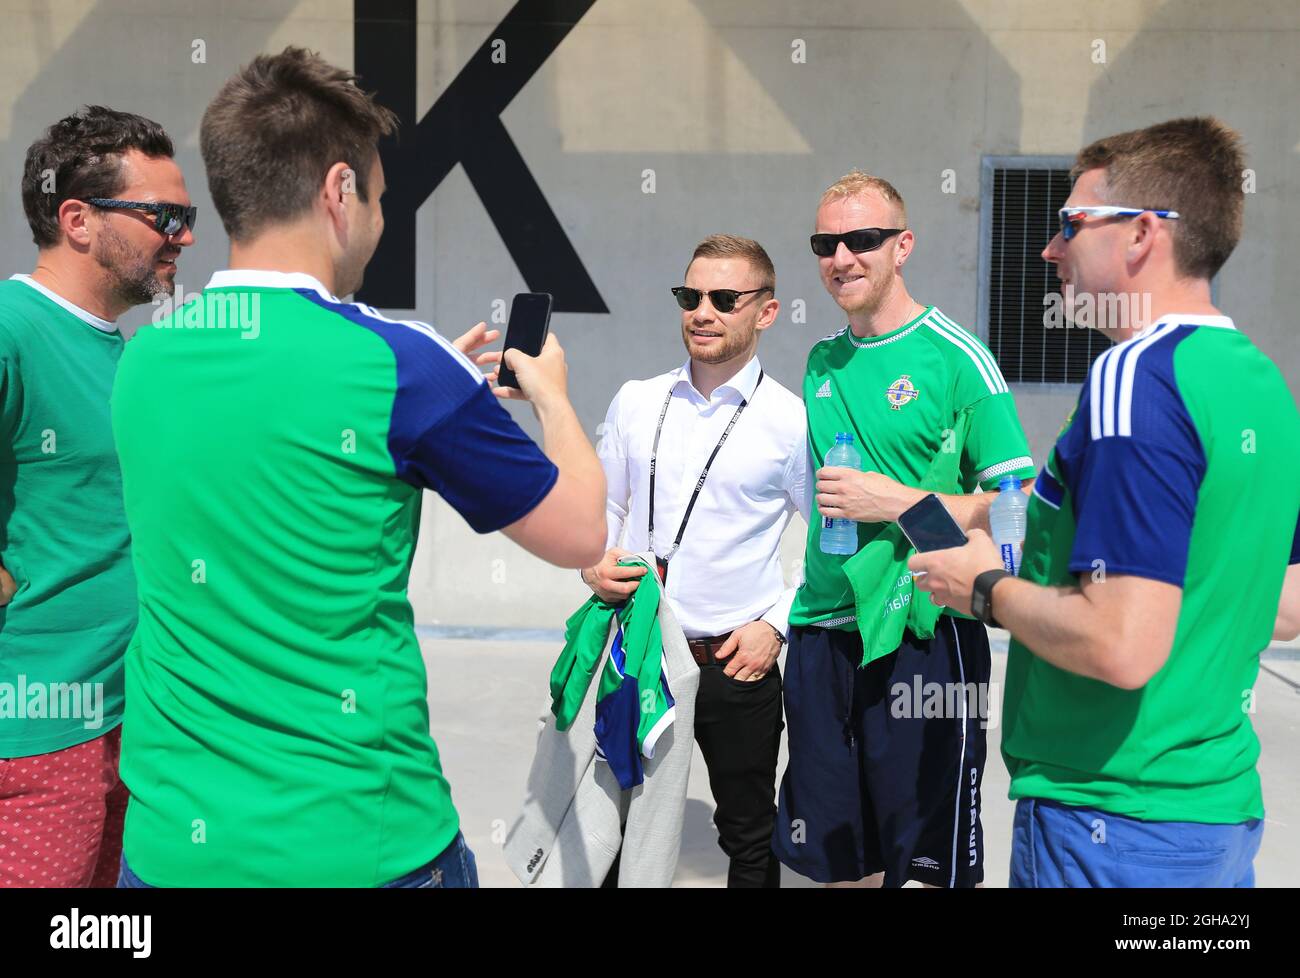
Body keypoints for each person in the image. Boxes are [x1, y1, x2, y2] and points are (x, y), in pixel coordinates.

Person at [110, 47, 606, 888]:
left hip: (169, 849)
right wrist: (551, 396)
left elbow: (268, 447)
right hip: (357, 844)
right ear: (339, 191)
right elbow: (579, 532)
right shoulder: (399, 365)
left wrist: (410, 420)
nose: (378, 220)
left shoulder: (146, 356)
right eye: (378, 197)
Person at [910, 117, 1300, 888]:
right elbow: (1285, 604)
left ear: (1142, 235)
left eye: (1069, 224)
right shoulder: (1261, 384)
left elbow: (1122, 646)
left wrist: (985, 589)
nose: (1050, 249)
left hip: (1108, 819)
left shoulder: (1135, 379)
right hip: (1212, 821)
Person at [773, 170, 1037, 888]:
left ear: (903, 246)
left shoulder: (956, 357)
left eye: (863, 239)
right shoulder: (821, 361)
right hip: (825, 632)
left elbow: (1018, 504)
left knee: (926, 868)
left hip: (926, 634)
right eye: (826, 243)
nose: (842, 258)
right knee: (834, 862)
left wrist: (898, 502)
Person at [0, 106, 194, 887]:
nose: (182, 236)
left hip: (127, 725)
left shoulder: (119, 352)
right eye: (164, 216)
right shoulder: (13, 328)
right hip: (41, 740)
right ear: (77, 219)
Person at [580, 234, 809, 887]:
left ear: (766, 312)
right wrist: (599, 562)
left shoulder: (791, 422)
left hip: (734, 665)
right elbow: (610, 511)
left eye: (723, 298)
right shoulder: (637, 399)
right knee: (612, 830)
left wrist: (776, 626)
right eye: (690, 296)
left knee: (749, 837)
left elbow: (831, 540)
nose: (701, 311)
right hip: (640, 654)